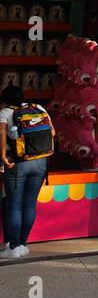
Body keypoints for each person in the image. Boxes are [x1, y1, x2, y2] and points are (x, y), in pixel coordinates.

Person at [0, 83, 54, 259]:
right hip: (41, 163)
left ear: (4, 100)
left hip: (18, 163)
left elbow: (2, 134)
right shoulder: (38, 108)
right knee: (29, 204)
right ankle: (22, 244)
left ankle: (13, 247)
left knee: (14, 205)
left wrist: (3, 156)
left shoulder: (5, 113)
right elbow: (52, 133)